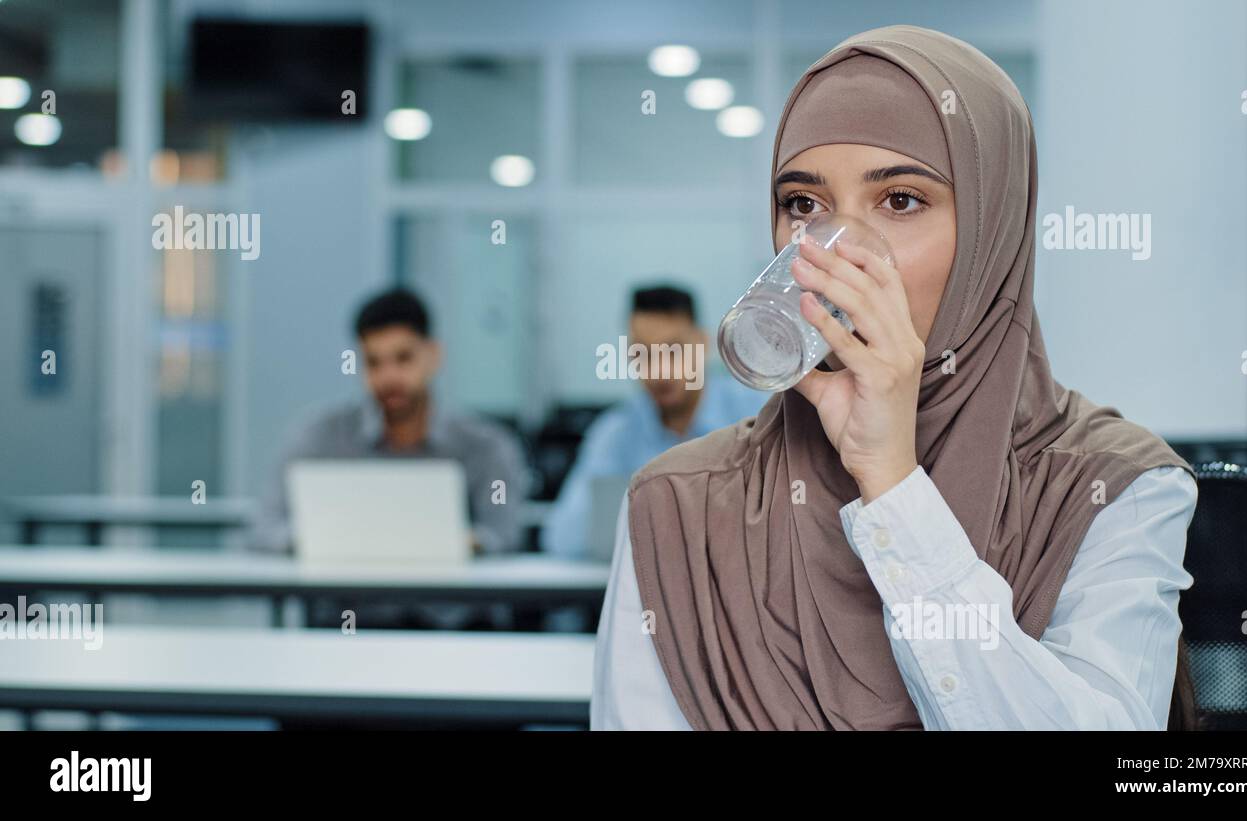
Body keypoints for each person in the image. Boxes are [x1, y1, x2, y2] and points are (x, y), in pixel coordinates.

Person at [592, 25, 1199, 730]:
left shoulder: (1115, 486)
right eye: (804, 206)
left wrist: (893, 483)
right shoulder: (678, 506)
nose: (832, 257)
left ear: (991, 233)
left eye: (900, 201)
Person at [251, 288, 528, 559]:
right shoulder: (319, 436)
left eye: (403, 358)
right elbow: (266, 527)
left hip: (445, 602)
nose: (389, 376)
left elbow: (503, 533)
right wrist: (318, 540)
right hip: (351, 602)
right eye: (373, 362)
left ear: (433, 355)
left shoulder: (485, 446)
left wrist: (462, 543)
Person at [540, 285, 768, 558]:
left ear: (702, 344)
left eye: (673, 351)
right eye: (643, 353)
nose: (659, 370)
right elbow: (561, 538)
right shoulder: (615, 432)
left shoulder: (758, 414)